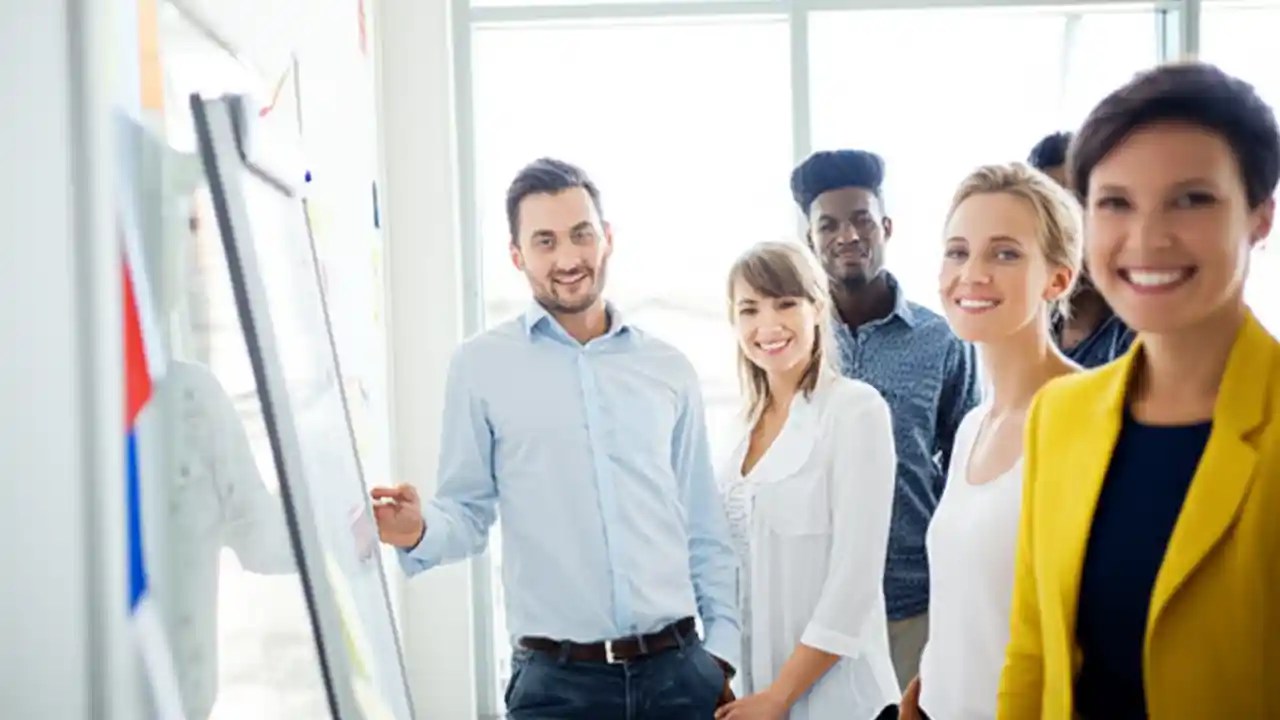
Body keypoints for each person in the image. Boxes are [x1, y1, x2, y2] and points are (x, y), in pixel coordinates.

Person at [369, 158, 741, 719]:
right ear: (517, 255)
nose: (568, 259)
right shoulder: (480, 367)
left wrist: (722, 654)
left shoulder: (668, 368)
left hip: (678, 678)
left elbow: (703, 523)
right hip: (557, 689)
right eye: (545, 241)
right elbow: (467, 514)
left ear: (606, 238)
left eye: (581, 234)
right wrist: (418, 530)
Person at [999, 62, 1280, 719]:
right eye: (1115, 203)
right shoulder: (1059, 414)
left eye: (1192, 199)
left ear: (1260, 216)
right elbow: (1032, 656)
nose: (1148, 238)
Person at [789, 150, 981, 688]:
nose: (847, 236)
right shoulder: (790, 341)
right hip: (814, 606)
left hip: (912, 601)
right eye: (829, 225)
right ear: (810, 239)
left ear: (886, 227)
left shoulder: (942, 340)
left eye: (862, 220)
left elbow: (968, 466)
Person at [899, 163, 1082, 720]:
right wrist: (926, 687)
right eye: (957, 252)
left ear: (1058, 279)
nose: (971, 273)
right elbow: (970, 600)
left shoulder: (1085, 421)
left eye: (1005, 254)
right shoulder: (974, 426)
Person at [715, 242, 899, 720]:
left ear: (817, 308)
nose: (767, 325)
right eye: (749, 309)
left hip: (841, 701)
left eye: (785, 303)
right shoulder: (735, 432)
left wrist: (780, 696)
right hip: (755, 696)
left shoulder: (854, 410)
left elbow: (854, 582)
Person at [1028, 131, 1135, 368]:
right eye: (1051, 211)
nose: (1067, 225)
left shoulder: (1143, 329)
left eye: (1079, 203)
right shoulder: (1027, 324)